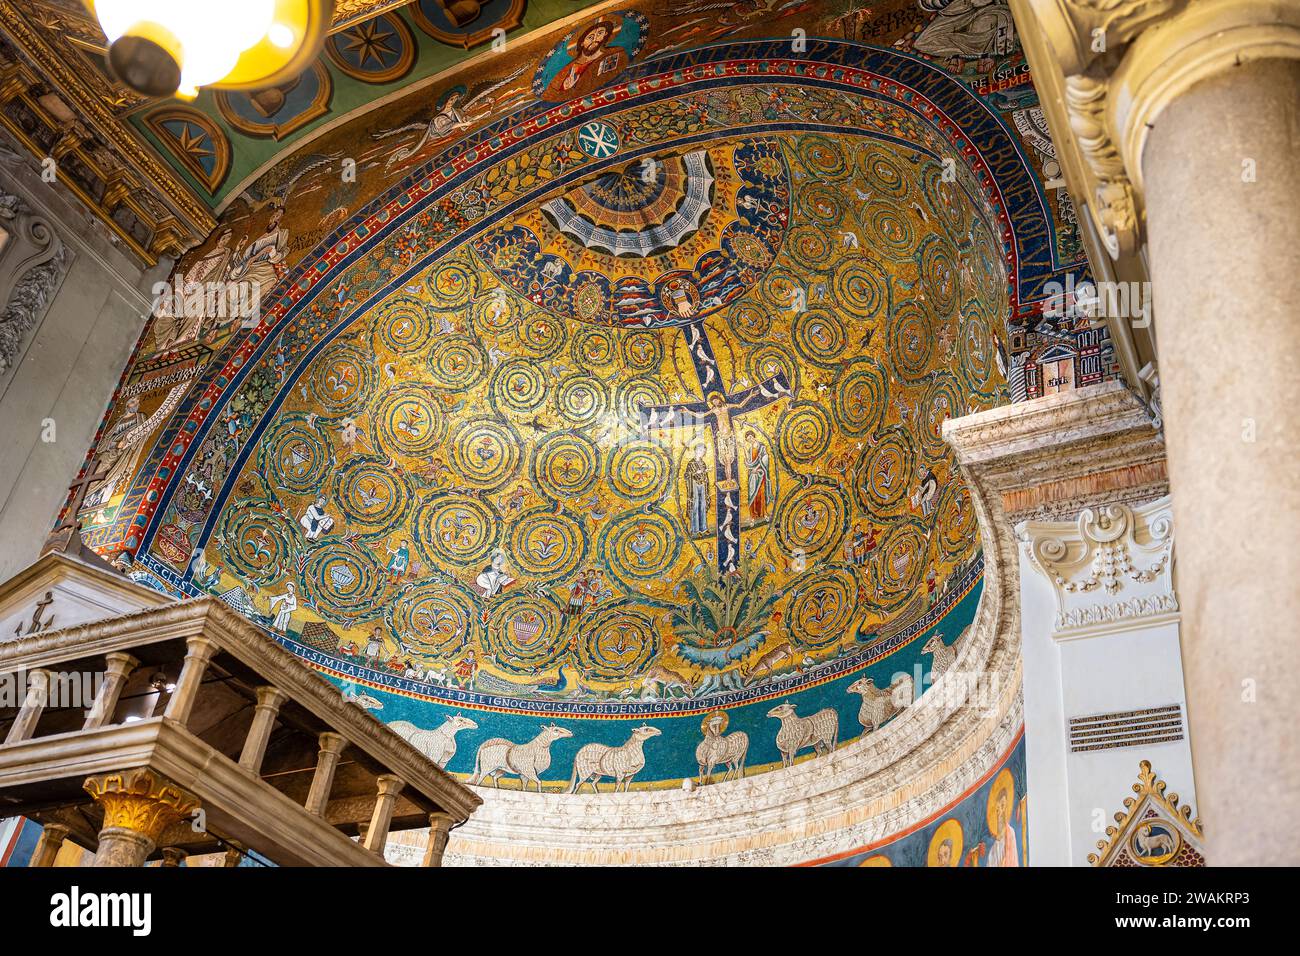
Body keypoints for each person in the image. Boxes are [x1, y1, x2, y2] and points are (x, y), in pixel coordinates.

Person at [685, 444, 710, 535]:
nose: (702, 453)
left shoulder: (703, 463)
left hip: (702, 485)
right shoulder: (691, 463)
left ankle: (703, 528)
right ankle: (695, 529)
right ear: (696, 451)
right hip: (694, 485)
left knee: (702, 505)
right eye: (700, 451)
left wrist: (705, 472)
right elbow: (687, 475)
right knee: (695, 506)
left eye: (703, 452)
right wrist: (695, 473)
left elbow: (705, 475)